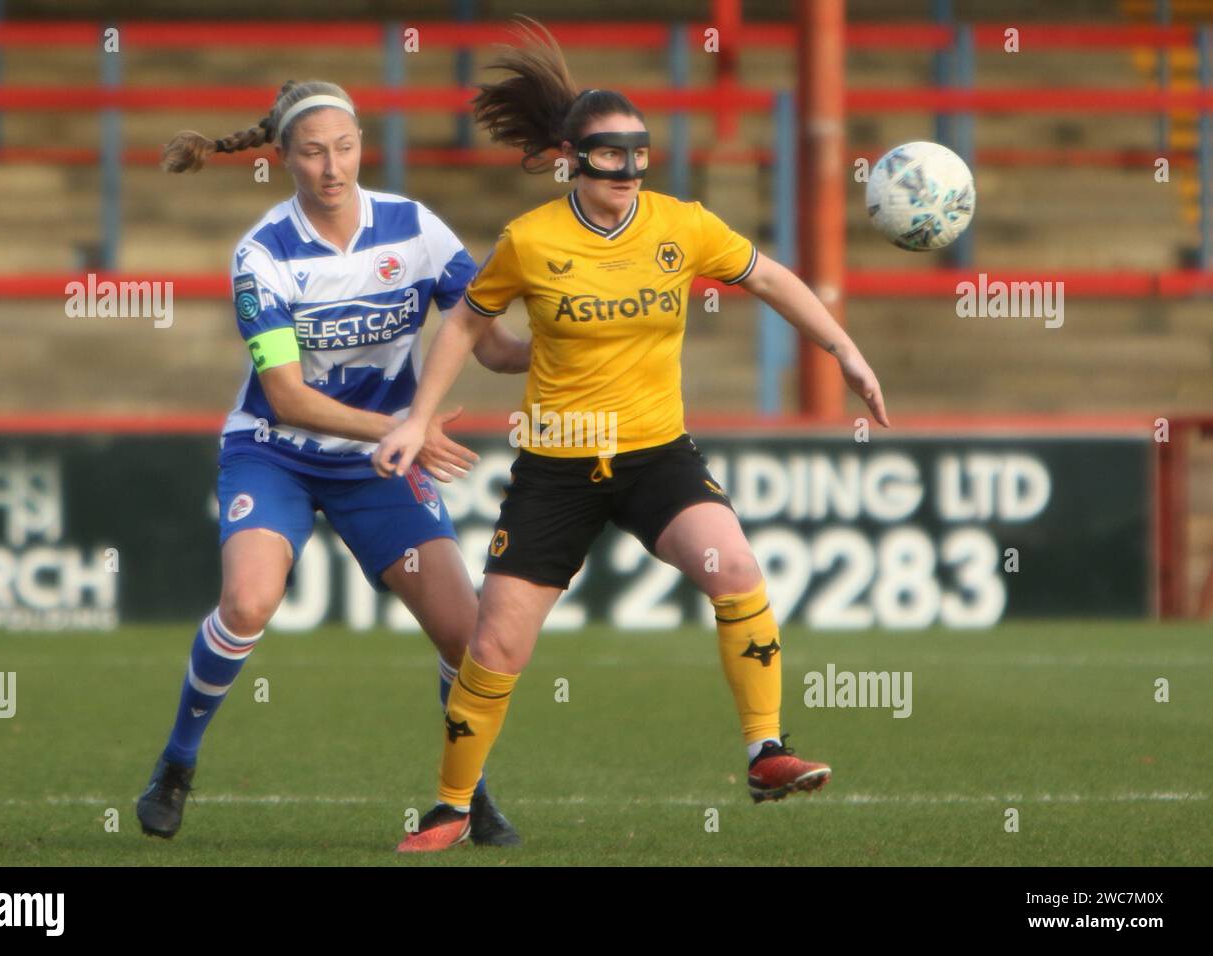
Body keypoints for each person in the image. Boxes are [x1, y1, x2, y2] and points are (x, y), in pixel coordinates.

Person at [372, 20, 891, 852]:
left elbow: (770, 277)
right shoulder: (532, 241)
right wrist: (419, 416)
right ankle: (451, 804)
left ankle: (766, 753)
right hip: (555, 466)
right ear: (572, 159)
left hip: (656, 454)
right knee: (496, 641)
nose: (627, 173)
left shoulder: (680, 226)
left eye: (637, 155)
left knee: (736, 566)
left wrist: (844, 348)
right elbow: (468, 325)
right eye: (609, 157)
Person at [135, 79, 529, 847]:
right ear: (282, 158)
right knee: (248, 603)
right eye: (312, 152)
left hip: (377, 461)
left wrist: (566, 339)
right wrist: (403, 425)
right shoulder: (263, 254)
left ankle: (468, 792)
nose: (332, 167)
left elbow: (492, 341)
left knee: (467, 635)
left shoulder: (414, 228)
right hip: (274, 454)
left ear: (361, 147)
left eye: (344, 148)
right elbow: (284, 397)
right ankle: (177, 763)